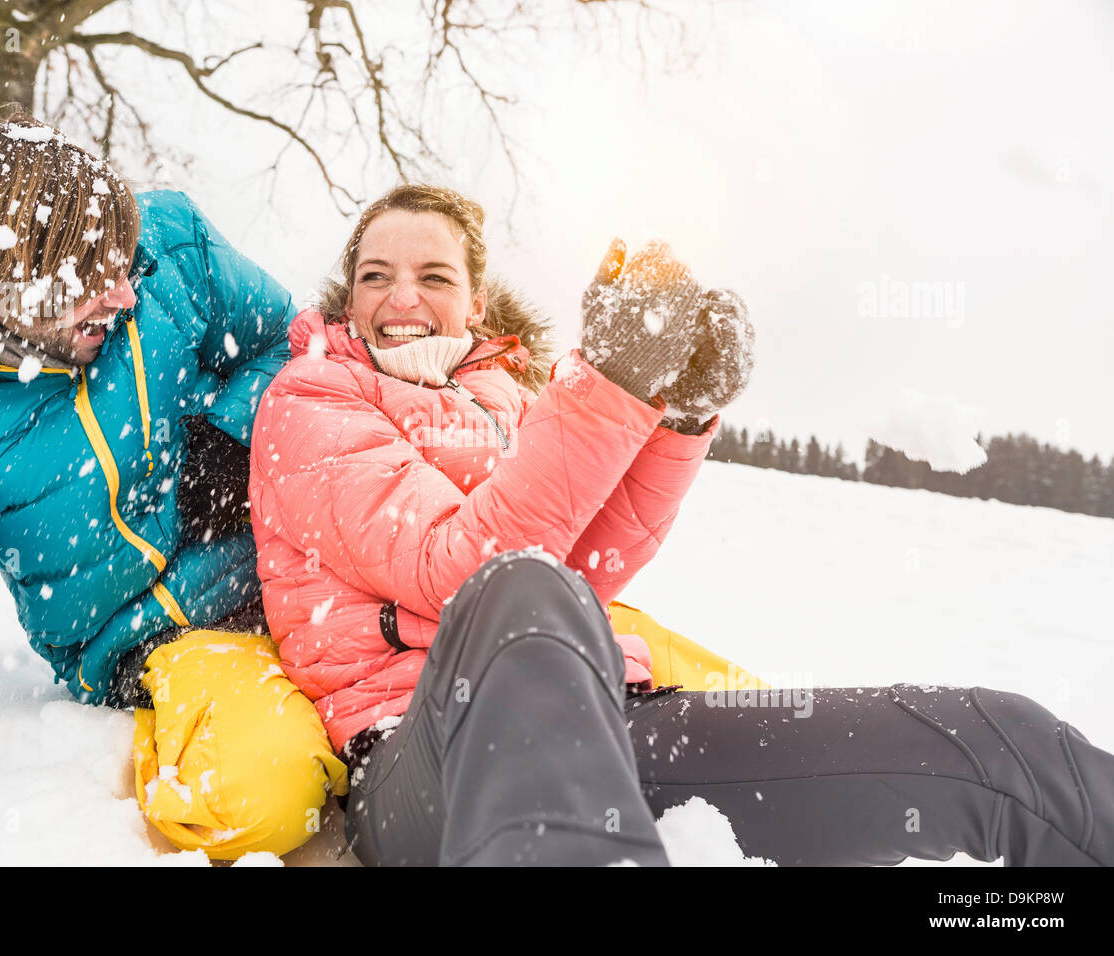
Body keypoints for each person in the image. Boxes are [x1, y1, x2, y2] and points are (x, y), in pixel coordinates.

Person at [248, 183, 1114, 866]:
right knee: (518, 588)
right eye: (375, 274)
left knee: (996, 745)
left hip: (604, 715)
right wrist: (608, 386)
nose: (402, 295)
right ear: (348, 294)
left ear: (475, 304)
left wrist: (675, 419)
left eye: (434, 275)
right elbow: (460, 571)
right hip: (423, 763)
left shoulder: (508, 401)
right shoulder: (313, 398)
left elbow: (588, 563)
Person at [0, 106, 346, 860]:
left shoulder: (169, 241)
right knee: (267, 794)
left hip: (310, 557)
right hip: (169, 636)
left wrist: (231, 438)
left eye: (124, 264)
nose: (126, 294)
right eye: (89, 280)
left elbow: (289, 343)